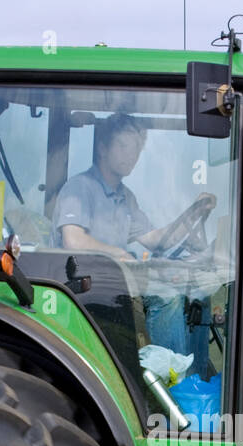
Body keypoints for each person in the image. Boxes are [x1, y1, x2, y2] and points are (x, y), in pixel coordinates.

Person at [50, 112, 216, 367]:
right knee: (166, 297)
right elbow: (73, 239)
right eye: (124, 146)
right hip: (84, 285)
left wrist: (192, 213)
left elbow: (156, 240)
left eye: (137, 149)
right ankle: (173, 380)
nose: (132, 156)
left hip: (117, 281)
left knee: (198, 294)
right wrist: (117, 253)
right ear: (103, 147)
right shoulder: (80, 187)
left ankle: (195, 377)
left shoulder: (125, 197)